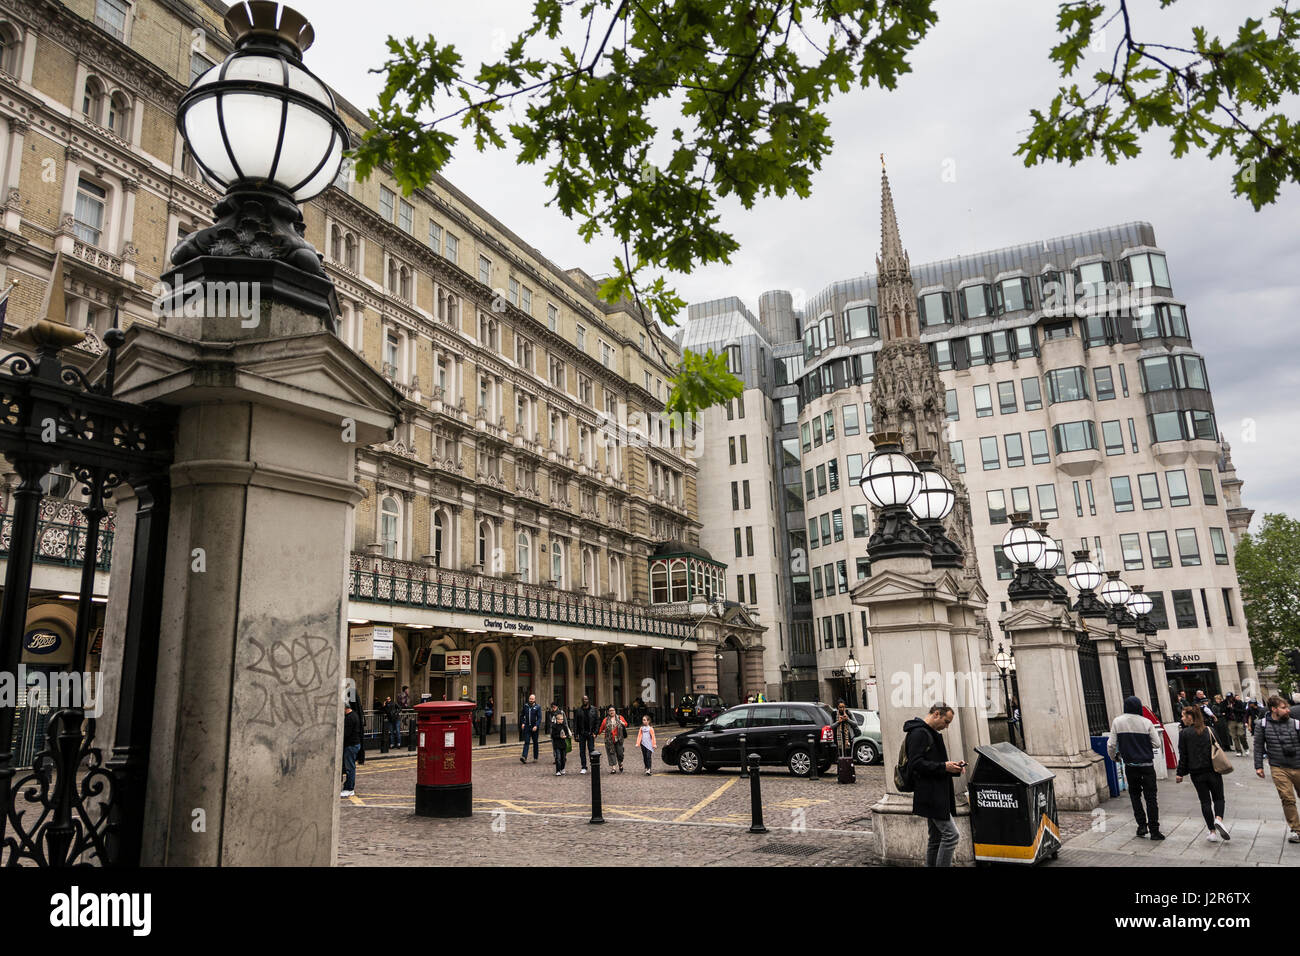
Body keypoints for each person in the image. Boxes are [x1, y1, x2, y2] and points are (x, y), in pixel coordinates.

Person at [902, 703, 965, 867]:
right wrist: (944, 766)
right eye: (946, 721)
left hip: (935, 792)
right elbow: (915, 764)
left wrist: (953, 768)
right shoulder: (919, 733)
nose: (947, 726)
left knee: (936, 838)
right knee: (951, 835)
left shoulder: (928, 732)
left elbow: (933, 763)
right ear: (936, 714)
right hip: (931, 794)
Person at [1107, 695, 1164, 839]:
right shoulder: (1146, 722)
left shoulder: (1117, 722)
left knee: (1135, 796)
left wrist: (1114, 757)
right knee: (1151, 798)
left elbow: (1111, 744)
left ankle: (1142, 826)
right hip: (1147, 766)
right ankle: (1155, 830)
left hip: (1131, 766)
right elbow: (1157, 743)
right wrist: (1144, 746)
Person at [1175, 705, 1231, 843]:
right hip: (1213, 770)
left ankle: (1212, 831)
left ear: (1190, 717)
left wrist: (1180, 773)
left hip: (1196, 773)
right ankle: (1218, 819)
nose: (1182, 718)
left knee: (1205, 801)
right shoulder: (1210, 730)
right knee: (1219, 798)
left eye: (1183, 716)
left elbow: (1184, 756)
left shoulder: (1184, 734)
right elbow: (1220, 746)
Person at [1253, 695, 1300, 844]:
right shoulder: (1262, 725)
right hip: (1278, 767)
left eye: (1287, 707)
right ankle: (1297, 830)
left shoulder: (1296, 724)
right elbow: (1258, 746)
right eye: (1283, 708)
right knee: (1287, 798)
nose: (1287, 710)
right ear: (1274, 709)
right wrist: (1258, 766)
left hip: (1298, 765)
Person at [573, 694, 600, 774]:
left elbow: (597, 722)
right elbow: (575, 723)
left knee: (591, 750)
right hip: (582, 733)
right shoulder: (578, 710)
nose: (585, 701)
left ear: (588, 700)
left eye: (586, 699)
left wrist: (595, 732)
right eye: (583, 699)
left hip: (591, 733)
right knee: (582, 751)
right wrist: (576, 734)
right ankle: (584, 767)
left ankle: (593, 765)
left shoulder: (593, 709)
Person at [598, 705, 628, 773]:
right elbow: (600, 729)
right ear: (608, 712)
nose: (611, 712)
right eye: (610, 711)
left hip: (619, 739)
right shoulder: (605, 720)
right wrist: (595, 734)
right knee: (611, 753)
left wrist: (622, 723)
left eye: (613, 710)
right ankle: (613, 768)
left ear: (615, 711)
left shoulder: (620, 717)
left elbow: (626, 724)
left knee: (620, 753)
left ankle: (620, 764)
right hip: (609, 740)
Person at [341, 701, 362, 797]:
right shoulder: (354, 715)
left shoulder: (350, 718)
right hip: (354, 744)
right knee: (350, 767)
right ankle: (348, 787)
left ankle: (349, 788)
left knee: (350, 768)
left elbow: (346, 733)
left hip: (351, 745)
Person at [519, 693, 542, 764]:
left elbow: (539, 718)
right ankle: (524, 757)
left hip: (534, 728)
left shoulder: (537, 707)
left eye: (532, 699)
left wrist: (536, 725)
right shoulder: (525, 706)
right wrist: (523, 723)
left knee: (535, 742)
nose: (531, 700)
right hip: (527, 727)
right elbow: (522, 716)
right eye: (530, 699)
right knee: (526, 742)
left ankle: (535, 757)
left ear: (535, 700)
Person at [550, 710, 572, 775]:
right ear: (557, 720)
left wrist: (566, 736)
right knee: (558, 758)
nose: (562, 720)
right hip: (557, 744)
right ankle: (558, 770)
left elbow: (568, 734)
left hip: (563, 744)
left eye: (562, 719)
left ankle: (562, 769)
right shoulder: (554, 726)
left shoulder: (564, 726)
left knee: (563, 758)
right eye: (561, 719)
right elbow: (553, 735)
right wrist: (560, 736)